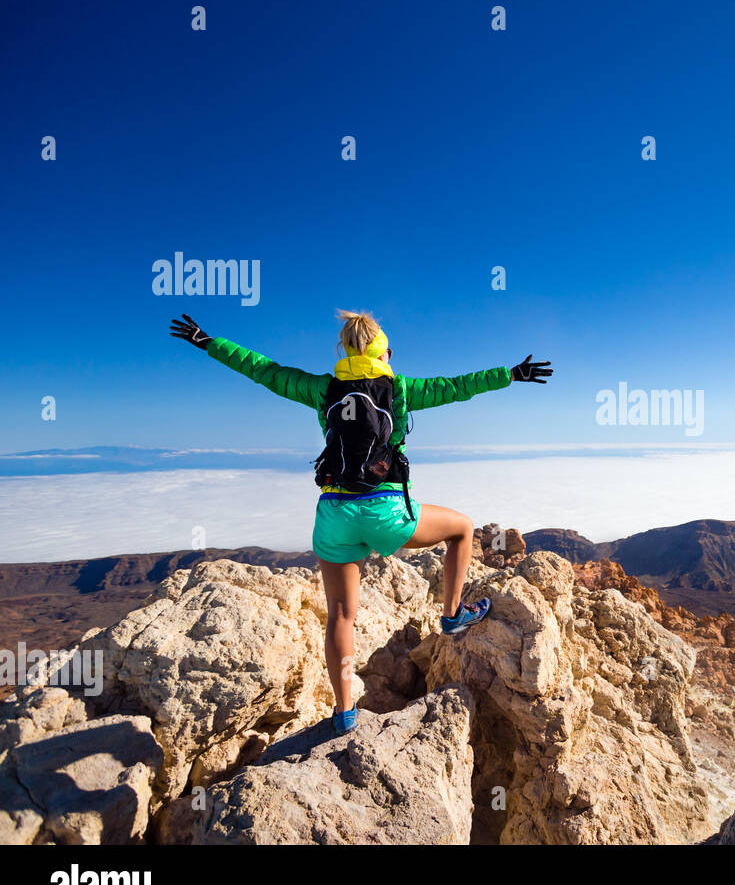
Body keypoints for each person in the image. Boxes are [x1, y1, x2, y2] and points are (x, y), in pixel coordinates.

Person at [169, 310, 551, 733]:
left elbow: (263, 370)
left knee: (340, 616)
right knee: (462, 528)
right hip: (384, 512)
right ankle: (453, 614)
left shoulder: (323, 389)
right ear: (383, 350)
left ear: (346, 350)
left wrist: (208, 342)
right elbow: (457, 387)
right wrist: (511, 373)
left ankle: (345, 712)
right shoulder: (400, 388)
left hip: (333, 515)